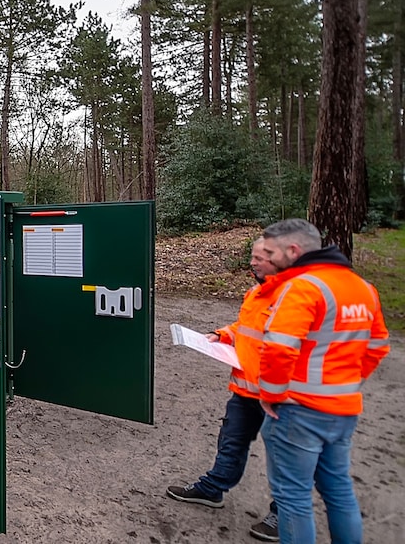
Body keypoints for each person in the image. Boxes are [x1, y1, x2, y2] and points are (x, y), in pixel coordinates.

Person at [256, 219, 391, 544]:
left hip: (297, 410)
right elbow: (378, 345)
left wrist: (270, 395)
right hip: (343, 409)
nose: (268, 259)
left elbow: (278, 348)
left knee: (293, 499)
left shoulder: (303, 286)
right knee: (340, 491)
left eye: (271, 252)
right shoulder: (363, 288)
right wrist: (346, 382)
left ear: (294, 250)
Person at [166, 237, 281, 541]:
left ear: (281, 258)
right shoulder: (257, 292)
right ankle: (213, 487)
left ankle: (283, 512)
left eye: (260, 258)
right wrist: (222, 335)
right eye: (253, 257)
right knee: (231, 441)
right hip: (245, 389)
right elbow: (246, 326)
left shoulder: (294, 296)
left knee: (283, 457)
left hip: (280, 395)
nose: (253, 262)